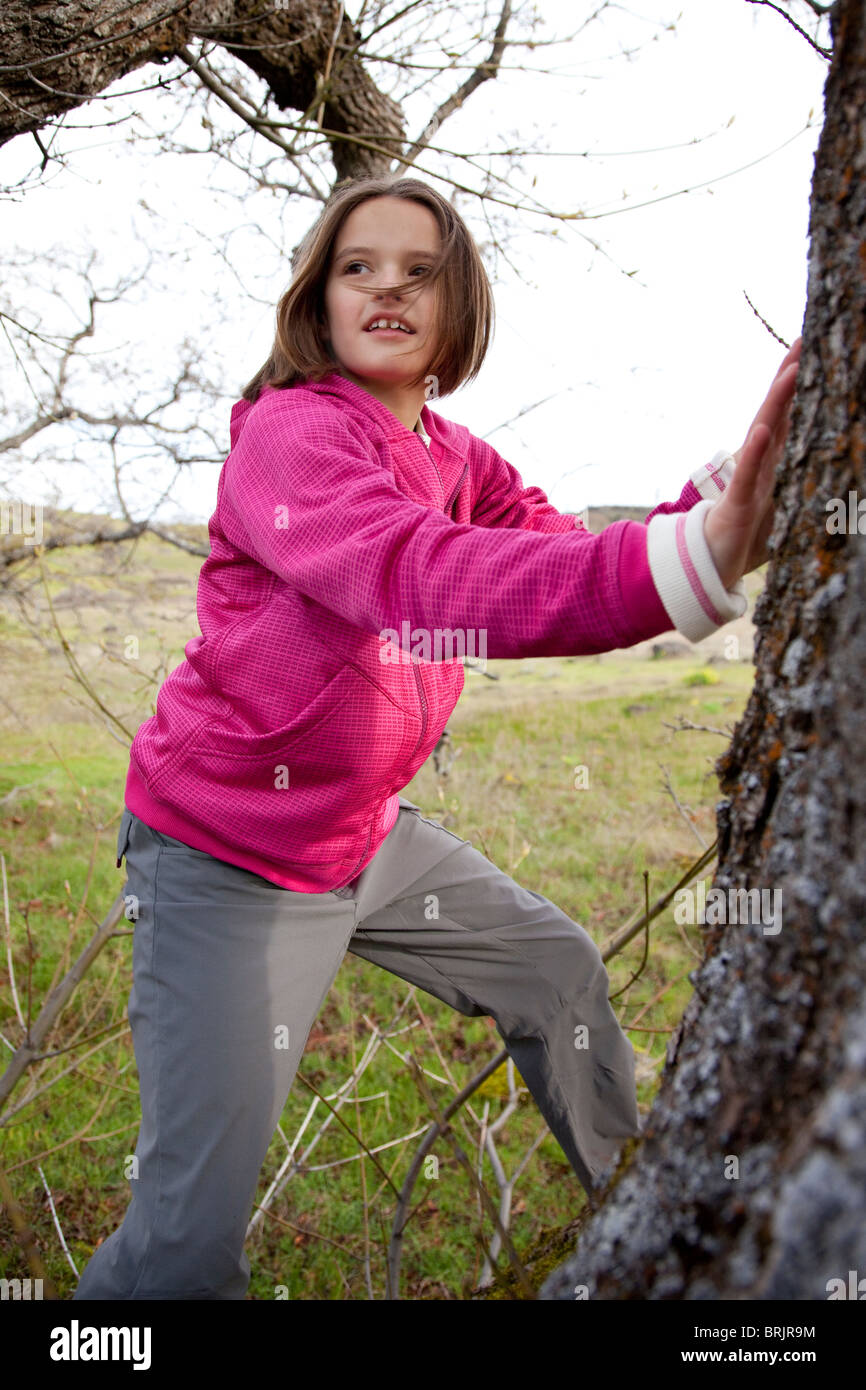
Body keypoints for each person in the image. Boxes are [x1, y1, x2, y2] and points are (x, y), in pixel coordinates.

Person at [73, 175, 801, 1300]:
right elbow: (420, 576)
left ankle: (660, 1236)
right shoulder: (291, 436)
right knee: (182, 1244)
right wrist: (697, 558)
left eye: (418, 271)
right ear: (316, 300)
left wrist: (721, 500)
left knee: (553, 973)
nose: (386, 289)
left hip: (365, 839)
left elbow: (554, 557)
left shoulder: (456, 455)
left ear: (459, 306)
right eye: (356, 267)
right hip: (232, 860)